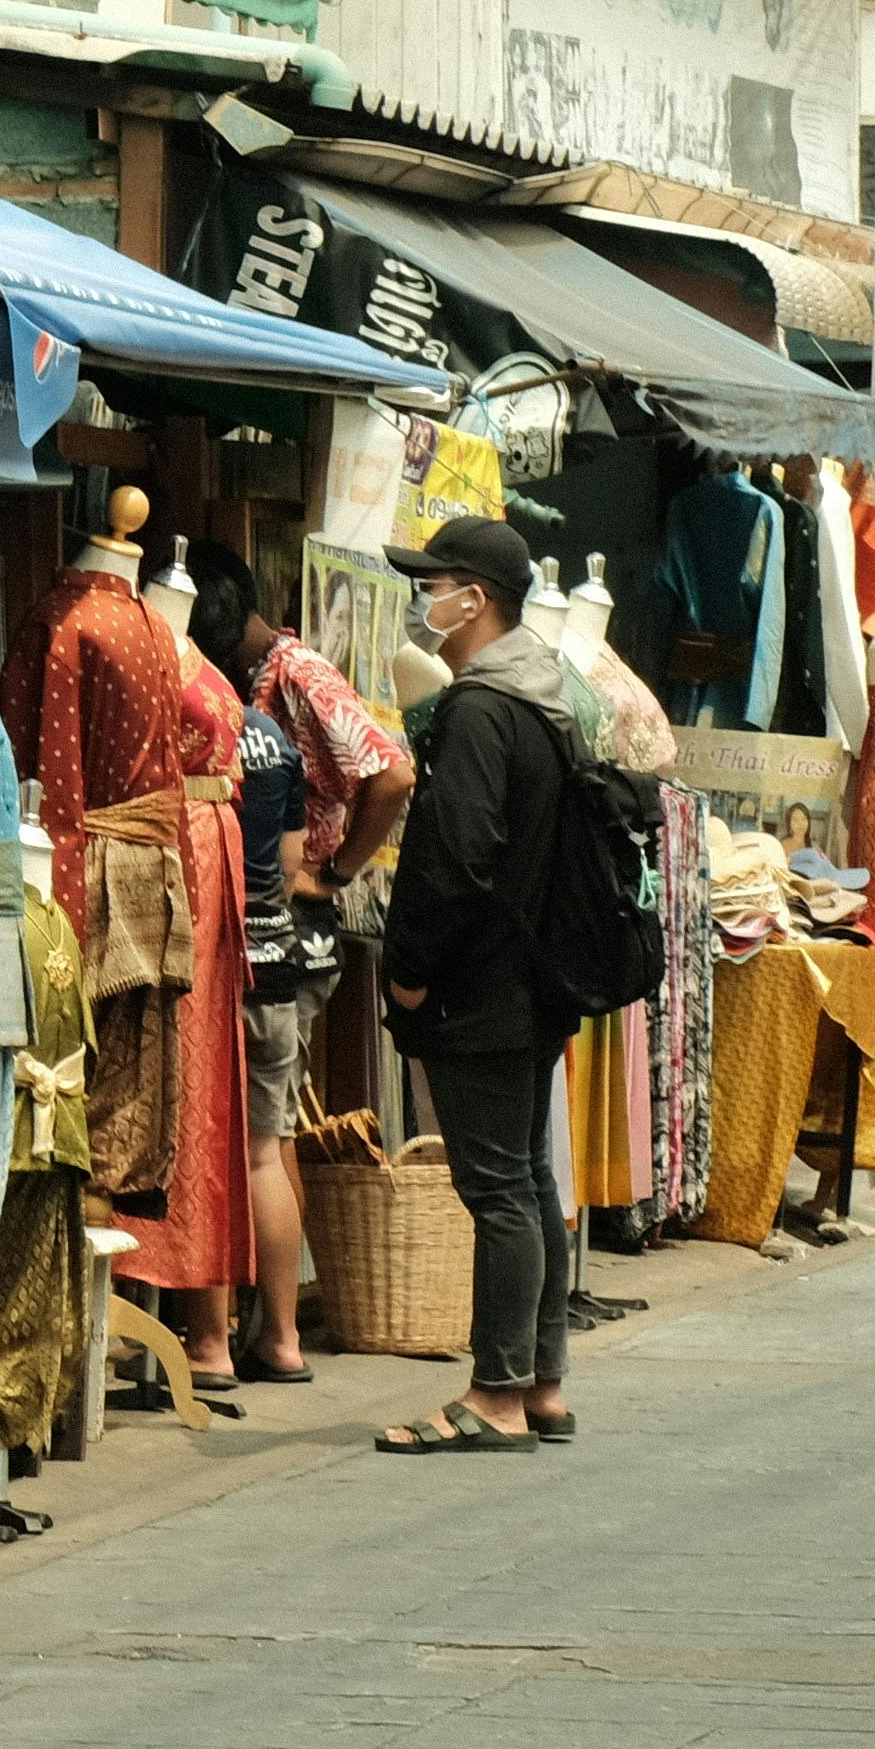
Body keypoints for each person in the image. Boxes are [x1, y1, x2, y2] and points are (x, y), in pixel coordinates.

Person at [370, 517, 581, 1452]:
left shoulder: (479, 710)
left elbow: (451, 857)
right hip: (532, 979)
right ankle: (541, 1385)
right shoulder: (545, 700)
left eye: (437, 581)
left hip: (480, 985)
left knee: (498, 1187)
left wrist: (409, 975)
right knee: (527, 1179)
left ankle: (496, 1396)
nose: (427, 598)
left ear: (477, 598)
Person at [192, 547, 408, 1389]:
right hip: (291, 934)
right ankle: (273, 1333)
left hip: (282, 930)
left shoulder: (296, 675)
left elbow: (392, 775)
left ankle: (252, 1334)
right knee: (267, 1136)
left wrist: (340, 869)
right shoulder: (261, 698)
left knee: (249, 1138)